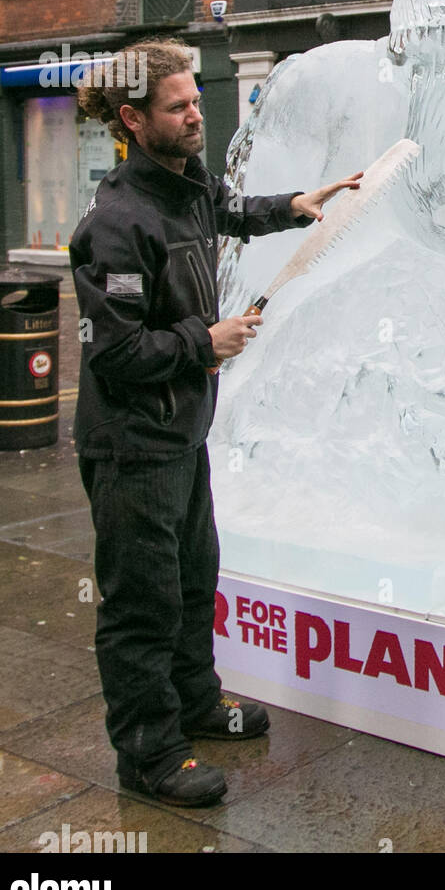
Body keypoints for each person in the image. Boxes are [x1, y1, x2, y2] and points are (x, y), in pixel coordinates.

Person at [70, 40, 361, 808]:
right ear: (134, 120)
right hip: (131, 445)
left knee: (195, 584)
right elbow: (116, 350)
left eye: (197, 99)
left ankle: (197, 703)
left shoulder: (185, 182)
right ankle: (150, 754)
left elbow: (227, 212)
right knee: (142, 606)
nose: (196, 114)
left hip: (181, 435)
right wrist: (206, 341)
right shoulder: (115, 224)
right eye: (178, 106)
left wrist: (296, 205)